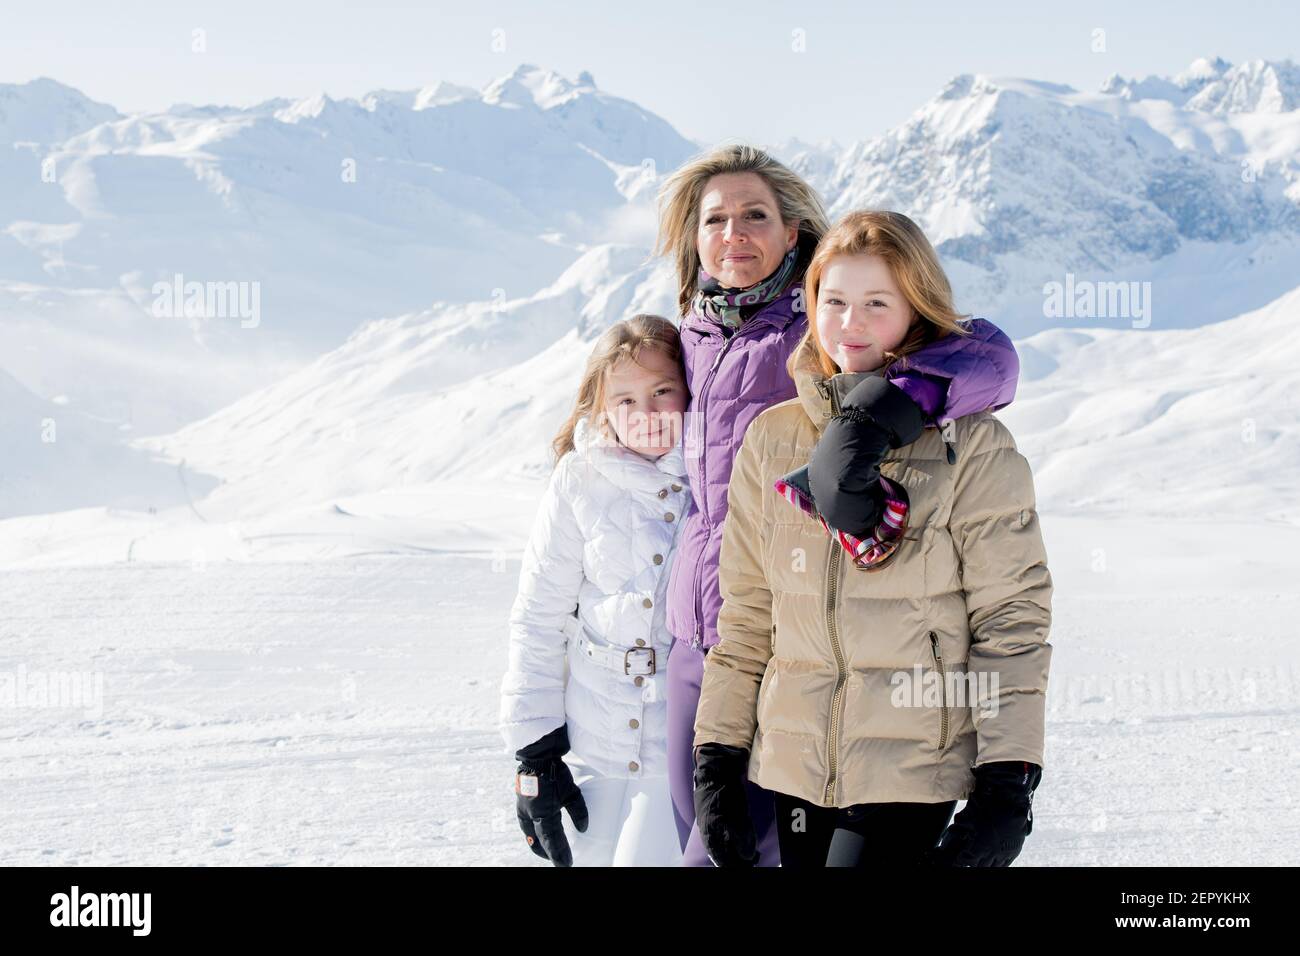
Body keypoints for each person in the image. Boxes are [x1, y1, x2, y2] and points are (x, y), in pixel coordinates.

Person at [691, 210, 1053, 868]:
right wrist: (717, 762)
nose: (850, 324)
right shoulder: (773, 437)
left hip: (913, 767)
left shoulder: (969, 444)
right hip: (796, 768)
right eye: (834, 302)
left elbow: (1011, 621)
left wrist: (1009, 784)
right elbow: (746, 613)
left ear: (917, 310)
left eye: (876, 303)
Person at [499, 314, 690, 866]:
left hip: (673, 745)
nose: (647, 414)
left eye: (662, 391)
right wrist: (535, 755)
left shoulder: (714, 477)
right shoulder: (578, 479)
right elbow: (539, 616)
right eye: (626, 401)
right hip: (591, 744)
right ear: (601, 405)